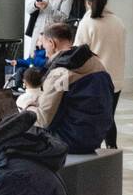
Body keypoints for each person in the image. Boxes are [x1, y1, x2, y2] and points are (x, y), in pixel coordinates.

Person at [22, 21, 114, 155]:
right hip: (95, 137)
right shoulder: (95, 61)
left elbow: (44, 120)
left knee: (20, 128)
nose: (44, 51)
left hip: (70, 140)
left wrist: (24, 104)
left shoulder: (60, 72)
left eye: (44, 44)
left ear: (52, 43)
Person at [73, 0, 126, 148]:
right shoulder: (118, 22)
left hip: (94, 79)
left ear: (87, 1)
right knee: (109, 117)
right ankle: (112, 150)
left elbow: (77, 52)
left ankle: (95, 156)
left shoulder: (87, 22)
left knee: (95, 119)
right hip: (116, 78)